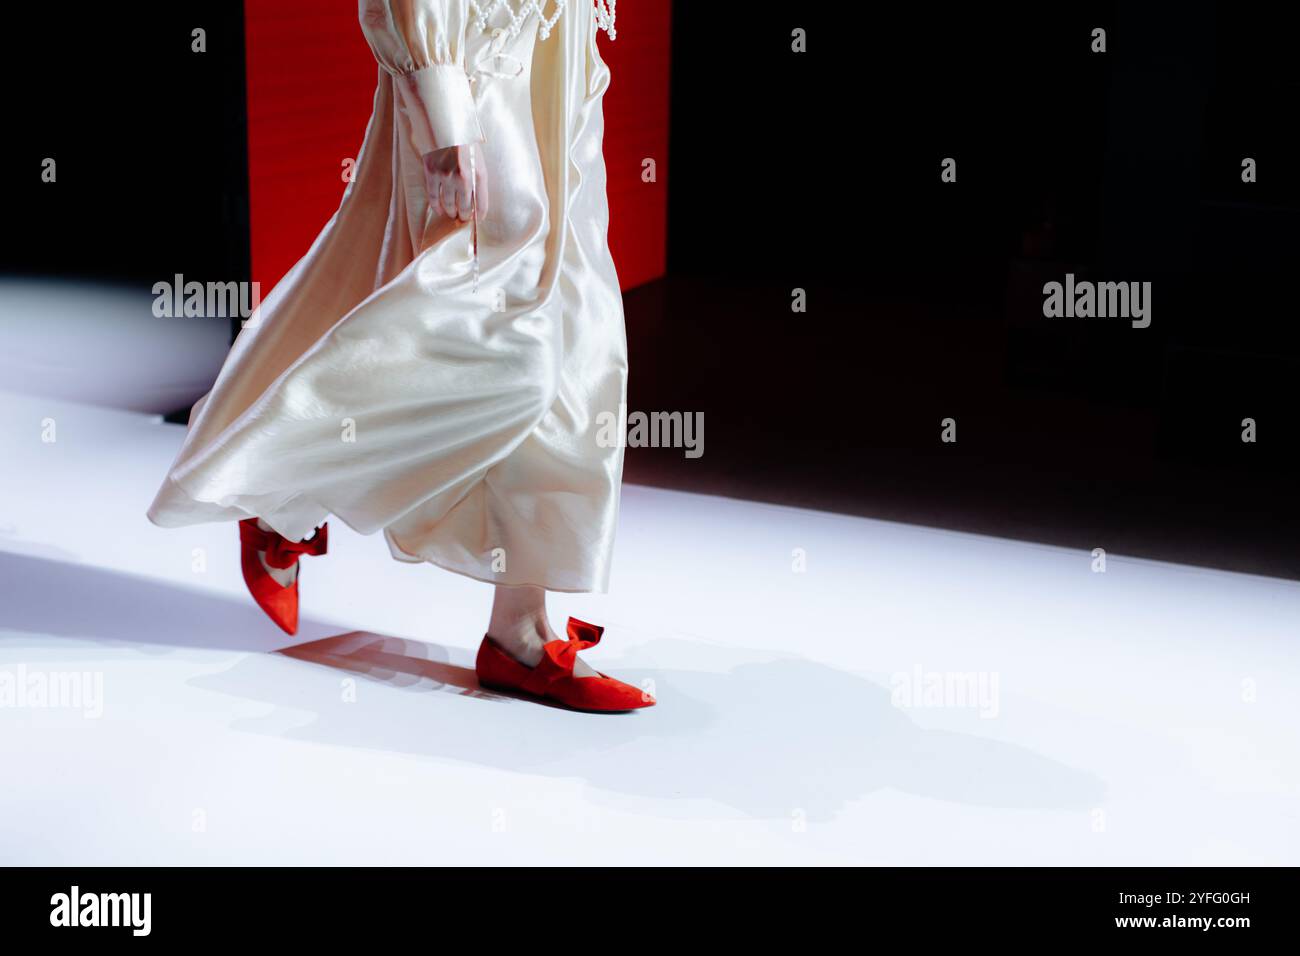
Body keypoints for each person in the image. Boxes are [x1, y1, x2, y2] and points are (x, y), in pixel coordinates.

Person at [148, 0, 651, 712]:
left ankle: (521, 634)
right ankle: (279, 486)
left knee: (578, 331)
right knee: (506, 340)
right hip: (477, 62)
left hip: (557, 50)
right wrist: (442, 108)